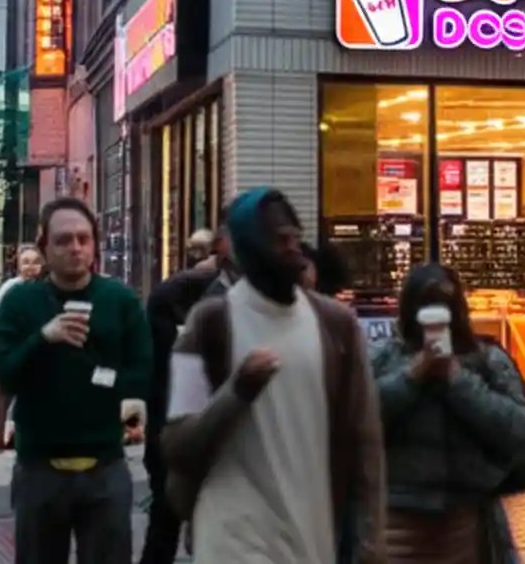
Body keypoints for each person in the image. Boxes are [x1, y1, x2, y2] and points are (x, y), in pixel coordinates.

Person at [162, 187, 386, 564]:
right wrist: (237, 391)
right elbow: (176, 442)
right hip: (231, 537)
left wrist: (371, 542)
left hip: (310, 534)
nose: (294, 249)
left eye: (296, 237)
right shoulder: (208, 323)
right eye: (281, 240)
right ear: (250, 249)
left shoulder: (336, 325)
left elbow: (365, 439)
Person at [0, 197, 152, 564]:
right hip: (39, 469)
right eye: (63, 240)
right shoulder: (21, 302)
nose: (75, 248)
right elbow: (5, 371)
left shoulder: (119, 299)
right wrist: (43, 338)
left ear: (95, 244)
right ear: (44, 247)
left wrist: (131, 421)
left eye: (83, 238)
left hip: (105, 467)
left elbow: (140, 371)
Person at [370, 262, 525, 564]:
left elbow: (517, 428)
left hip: (467, 517)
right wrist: (413, 376)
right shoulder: (382, 357)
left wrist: (458, 380)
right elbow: (357, 420)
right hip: (394, 516)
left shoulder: (486, 359)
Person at [138, 238, 224, 564]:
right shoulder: (192, 297)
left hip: (168, 423)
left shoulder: (169, 296)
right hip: (181, 425)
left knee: (165, 517)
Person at [0, 245, 44, 450]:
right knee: (3, 394)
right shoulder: (11, 287)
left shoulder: (44, 287)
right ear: (18, 265)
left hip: (36, 348)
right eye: (26, 262)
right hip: (12, 346)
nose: (31, 267)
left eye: (35, 262)